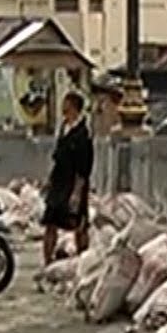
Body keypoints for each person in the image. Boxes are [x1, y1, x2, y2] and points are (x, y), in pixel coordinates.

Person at [41, 91, 94, 266]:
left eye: (66, 103)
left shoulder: (82, 134)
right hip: (59, 181)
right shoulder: (63, 128)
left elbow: (83, 167)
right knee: (50, 223)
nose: (63, 107)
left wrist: (77, 193)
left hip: (73, 183)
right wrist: (50, 180)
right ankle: (47, 262)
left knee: (78, 225)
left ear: (73, 106)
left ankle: (82, 262)